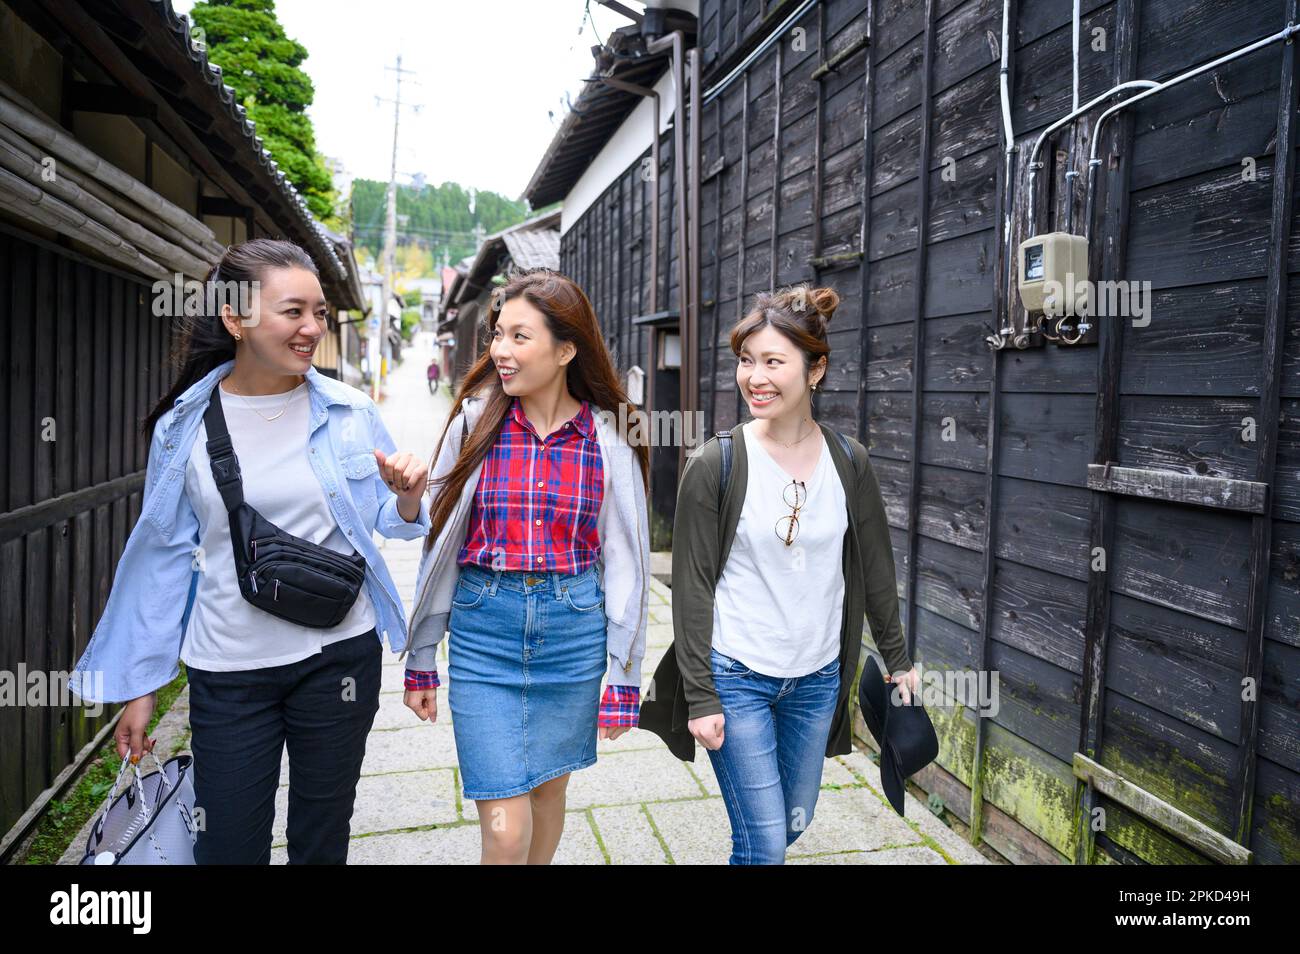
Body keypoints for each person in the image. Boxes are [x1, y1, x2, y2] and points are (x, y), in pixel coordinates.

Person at [68, 238, 431, 864]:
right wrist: (143, 685)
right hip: (228, 671)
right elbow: (164, 557)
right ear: (235, 318)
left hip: (338, 657)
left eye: (319, 312)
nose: (313, 328)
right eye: (294, 312)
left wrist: (404, 497)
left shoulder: (349, 411)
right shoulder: (183, 425)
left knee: (322, 837)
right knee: (228, 844)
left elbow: (389, 523)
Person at [640, 284, 919, 864]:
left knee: (794, 819)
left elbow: (874, 565)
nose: (754, 377)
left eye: (773, 362)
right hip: (736, 673)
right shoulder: (716, 462)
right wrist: (701, 696)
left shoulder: (850, 462)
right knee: (766, 842)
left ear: (815, 370)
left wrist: (898, 661)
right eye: (746, 361)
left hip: (817, 680)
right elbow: (690, 589)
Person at [402, 268, 650, 864]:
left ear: (566, 350)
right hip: (483, 630)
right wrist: (419, 657)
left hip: (573, 631)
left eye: (519, 337)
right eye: (497, 334)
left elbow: (627, 561)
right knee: (506, 829)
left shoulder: (611, 435)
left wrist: (624, 675)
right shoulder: (474, 423)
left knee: (548, 789)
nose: (499, 351)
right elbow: (434, 537)